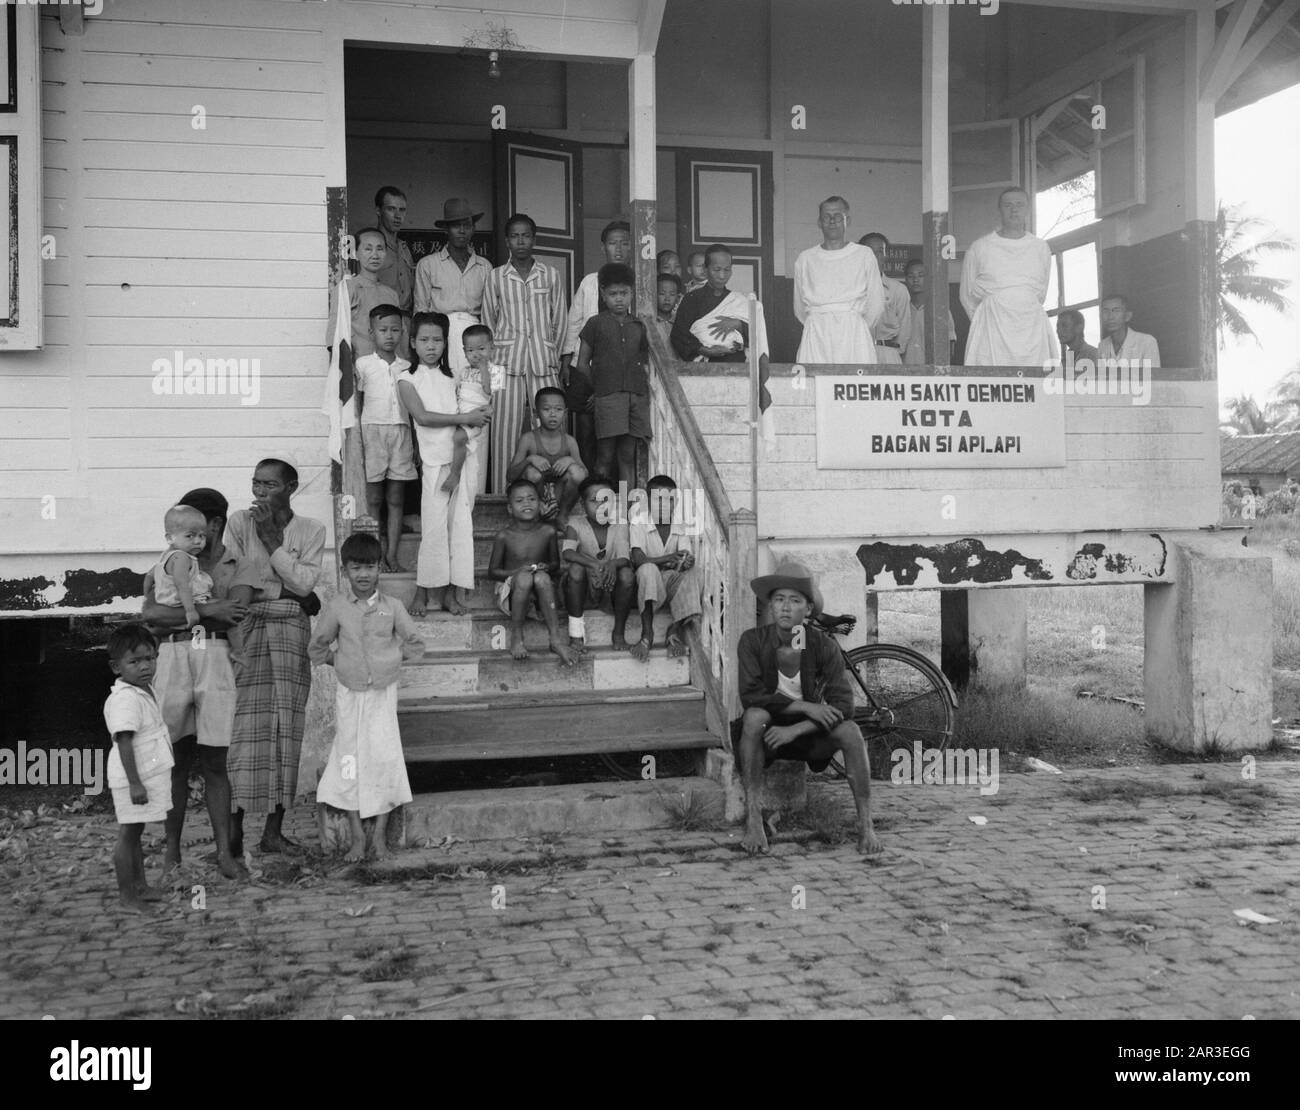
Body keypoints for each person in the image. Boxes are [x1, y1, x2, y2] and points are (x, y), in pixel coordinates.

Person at [142, 487, 256, 880]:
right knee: (174, 759)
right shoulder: (165, 564)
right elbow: (152, 616)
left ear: (216, 525)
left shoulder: (237, 564)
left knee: (215, 762)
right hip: (172, 658)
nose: (194, 536)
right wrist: (209, 609)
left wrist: (193, 614)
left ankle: (225, 854)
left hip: (214, 659)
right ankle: (171, 855)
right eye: (185, 529)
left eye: (200, 527)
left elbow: (234, 614)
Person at [735, 562, 881, 857]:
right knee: (753, 716)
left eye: (795, 600)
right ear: (771, 606)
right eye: (779, 600)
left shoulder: (823, 645)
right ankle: (753, 819)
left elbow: (843, 705)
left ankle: (866, 826)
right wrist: (805, 706)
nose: (785, 608)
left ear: (808, 608)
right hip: (768, 734)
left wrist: (798, 727)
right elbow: (751, 696)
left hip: (810, 735)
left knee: (851, 731)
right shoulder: (752, 641)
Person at [225, 452, 326, 857]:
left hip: (289, 633)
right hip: (248, 631)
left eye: (270, 484)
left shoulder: (311, 530)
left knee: (288, 728)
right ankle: (232, 836)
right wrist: (284, 592)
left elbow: (305, 584)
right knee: (243, 732)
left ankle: (272, 833)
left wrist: (270, 540)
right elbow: (235, 583)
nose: (261, 491)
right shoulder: (237, 523)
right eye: (256, 483)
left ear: (291, 488)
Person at [308, 533, 423, 862]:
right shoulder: (338, 607)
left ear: (379, 569)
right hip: (350, 694)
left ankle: (379, 839)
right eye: (356, 568)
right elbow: (317, 647)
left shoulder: (393, 608)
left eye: (370, 567)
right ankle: (358, 837)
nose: (363, 574)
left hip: (382, 695)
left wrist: (390, 661)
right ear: (345, 570)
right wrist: (340, 662)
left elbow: (414, 643)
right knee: (351, 760)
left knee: (384, 758)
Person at [397, 313, 486, 617]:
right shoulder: (407, 379)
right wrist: (466, 419)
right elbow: (423, 417)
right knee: (433, 529)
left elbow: (484, 400)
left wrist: (476, 418)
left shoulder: (456, 376)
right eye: (424, 340)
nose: (431, 346)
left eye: (437, 340)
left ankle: (452, 594)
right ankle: (422, 593)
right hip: (434, 464)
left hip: (463, 460)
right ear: (413, 343)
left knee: (460, 529)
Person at [482, 214, 568, 495]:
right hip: (504, 364)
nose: (521, 241)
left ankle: (550, 496)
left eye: (526, 235)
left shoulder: (549, 274)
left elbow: (561, 320)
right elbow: (487, 324)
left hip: (544, 362)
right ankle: (500, 494)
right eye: (515, 236)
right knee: (503, 430)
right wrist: (490, 373)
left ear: (534, 238)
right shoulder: (496, 276)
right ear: (507, 240)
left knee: (550, 427)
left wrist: (550, 351)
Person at [103, 624, 173, 912]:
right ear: (116, 667)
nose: (144, 666)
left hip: (145, 775)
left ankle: (140, 886)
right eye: (134, 662)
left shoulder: (144, 690)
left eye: (150, 659)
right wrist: (135, 784)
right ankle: (127, 895)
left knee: (136, 831)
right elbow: (124, 743)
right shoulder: (125, 699)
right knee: (128, 835)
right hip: (132, 778)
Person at [959, 187, 1058, 366]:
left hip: (1031, 329)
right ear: (999, 210)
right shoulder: (980, 247)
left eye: (1019, 204)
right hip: (991, 328)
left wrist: (1020, 304)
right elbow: (967, 296)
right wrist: (985, 321)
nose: (1014, 209)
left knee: (1035, 385)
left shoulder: (1040, 247)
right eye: (1008, 205)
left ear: (1028, 209)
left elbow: (1041, 293)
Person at [562, 220, 633, 470]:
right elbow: (574, 321)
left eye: (625, 243)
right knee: (586, 427)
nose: (619, 249)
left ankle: (611, 486)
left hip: (620, 371)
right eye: (613, 243)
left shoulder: (637, 282)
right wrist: (565, 360)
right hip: (584, 364)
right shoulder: (590, 281)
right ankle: (586, 482)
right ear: (603, 247)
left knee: (619, 434)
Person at [576, 262, 651, 491]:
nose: (619, 299)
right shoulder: (595, 323)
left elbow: (644, 362)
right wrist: (599, 391)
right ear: (603, 295)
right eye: (613, 294)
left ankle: (625, 514)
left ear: (631, 294)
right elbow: (581, 364)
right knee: (605, 456)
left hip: (634, 399)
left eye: (624, 293)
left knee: (627, 457)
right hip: (607, 398)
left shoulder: (638, 325)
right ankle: (600, 508)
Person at [486, 478, 576, 665]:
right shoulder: (504, 536)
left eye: (531, 499)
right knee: (525, 579)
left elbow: (555, 565)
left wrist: (546, 567)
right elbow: (493, 572)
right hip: (512, 591)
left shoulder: (548, 532)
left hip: (540, 590)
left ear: (541, 504)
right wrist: (516, 572)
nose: (526, 503)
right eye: (519, 501)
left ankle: (555, 639)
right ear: (510, 509)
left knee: (542, 578)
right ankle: (517, 636)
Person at [355, 304, 415, 572]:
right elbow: (357, 402)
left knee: (396, 498)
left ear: (402, 332)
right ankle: (374, 554)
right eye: (383, 330)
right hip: (372, 432)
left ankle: (392, 554)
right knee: (374, 498)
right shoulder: (363, 364)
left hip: (401, 431)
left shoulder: (409, 367)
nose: (389, 335)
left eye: (395, 330)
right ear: (371, 333)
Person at [792, 197, 883, 364]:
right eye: (827, 216)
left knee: (854, 385)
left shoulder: (864, 255)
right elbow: (800, 309)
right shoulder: (805, 259)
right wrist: (821, 320)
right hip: (816, 333)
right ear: (819, 222)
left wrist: (854, 323)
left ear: (847, 220)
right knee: (816, 384)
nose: (832, 221)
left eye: (838, 216)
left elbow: (876, 305)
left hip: (854, 335)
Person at [413, 198, 493, 382]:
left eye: (467, 225)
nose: (462, 231)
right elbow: (421, 310)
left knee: (474, 390)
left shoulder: (484, 267)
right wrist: (427, 345)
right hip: (441, 333)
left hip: (476, 337)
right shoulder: (428, 264)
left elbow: (490, 312)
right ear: (446, 229)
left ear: (473, 228)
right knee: (444, 386)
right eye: (456, 226)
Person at [629, 475, 702, 663]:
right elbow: (638, 560)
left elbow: (685, 555)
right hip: (645, 585)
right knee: (648, 569)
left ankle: (674, 630)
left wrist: (685, 562)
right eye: (658, 499)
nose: (664, 504)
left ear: (675, 502)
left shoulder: (679, 525)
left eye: (670, 499)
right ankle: (647, 633)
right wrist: (668, 558)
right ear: (647, 501)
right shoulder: (639, 522)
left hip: (668, 584)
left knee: (694, 572)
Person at [563, 476, 635, 652]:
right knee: (576, 569)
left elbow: (624, 557)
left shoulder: (620, 523)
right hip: (584, 587)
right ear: (582, 504)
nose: (601, 506)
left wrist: (612, 564)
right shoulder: (575, 523)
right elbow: (567, 552)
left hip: (609, 587)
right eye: (594, 501)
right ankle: (576, 634)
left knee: (626, 573)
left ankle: (618, 633)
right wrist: (593, 564)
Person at [671, 244, 768, 364]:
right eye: (716, 270)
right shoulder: (692, 298)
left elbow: (758, 336)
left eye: (727, 270)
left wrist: (739, 325)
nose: (722, 276)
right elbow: (678, 335)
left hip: (737, 364)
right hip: (702, 367)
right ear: (706, 270)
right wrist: (705, 350)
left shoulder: (738, 300)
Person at [507, 387, 588, 524]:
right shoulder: (529, 439)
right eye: (546, 409)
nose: (552, 414)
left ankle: (562, 516)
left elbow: (584, 475)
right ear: (536, 414)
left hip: (558, 493)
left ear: (565, 413)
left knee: (576, 472)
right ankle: (537, 517)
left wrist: (570, 460)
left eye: (558, 409)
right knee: (532, 473)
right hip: (536, 495)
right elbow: (510, 476)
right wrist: (529, 459)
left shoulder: (569, 441)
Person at [329, 228, 401, 359]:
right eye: (368, 249)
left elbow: (400, 335)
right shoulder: (347, 288)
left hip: (388, 367)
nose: (375, 255)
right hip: (358, 364)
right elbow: (335, 334)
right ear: (356, 253)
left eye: (380, 249)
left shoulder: (391, 294)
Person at [443, 325, 495, 497]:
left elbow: (488, 390)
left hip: (477, 416)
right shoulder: (463, 371)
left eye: (481, 349)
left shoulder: (495, 370)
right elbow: (456, 390)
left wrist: (483, 369)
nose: (476, 354)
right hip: (461, 414)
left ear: (491, 349)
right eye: (471, 350)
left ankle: (454, 474)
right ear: (464, 352)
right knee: (450, 440)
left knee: (459, 438)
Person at [153, 504, 213, 629]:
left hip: (171, 607)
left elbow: (149, 577)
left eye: (202, 535)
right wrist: (190, 610)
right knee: (227, 609)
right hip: (183, 606)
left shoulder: (165, 557)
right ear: (170, 538)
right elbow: (182, 585)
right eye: (189, 536)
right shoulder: (181, 557)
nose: (197, 541)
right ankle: (238, 648)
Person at [858, 232, 912, 365]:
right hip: (859, 352)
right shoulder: (852, 289)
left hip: (889, 353)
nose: (876, 256)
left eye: (880, 251)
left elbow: (905, 327)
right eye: (870, 251)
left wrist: (894, 352)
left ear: (886, 255)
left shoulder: (898, 289)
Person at [902, 258, 958, 365]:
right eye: (911, 276)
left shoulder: (939, 311)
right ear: (905, 279)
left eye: (921, 275)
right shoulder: (901, 309)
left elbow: (950, 346)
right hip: (903, 373)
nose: (915, 280)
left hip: (931, 374)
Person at [373, 186, 414, 315]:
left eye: (402, 210)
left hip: (405, 321)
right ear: (378, 211)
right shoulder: (370, 247)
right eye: (391, 209)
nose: (397, 216)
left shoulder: (404, 248)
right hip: (381, 320)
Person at [1097, 295, 1161, 367]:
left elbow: (1152, 377)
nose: (1110, 317)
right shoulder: (1102, 346)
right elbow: (1101, 377)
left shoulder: (1147, 342)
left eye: (1116, 311)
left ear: (1127, 316)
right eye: (1105, 311)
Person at [656, 272, 683, 336]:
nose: (667, 299)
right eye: (662, 293)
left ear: (678, 298)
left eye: (672, 294)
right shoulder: (650, 322)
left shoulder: (680, 323)